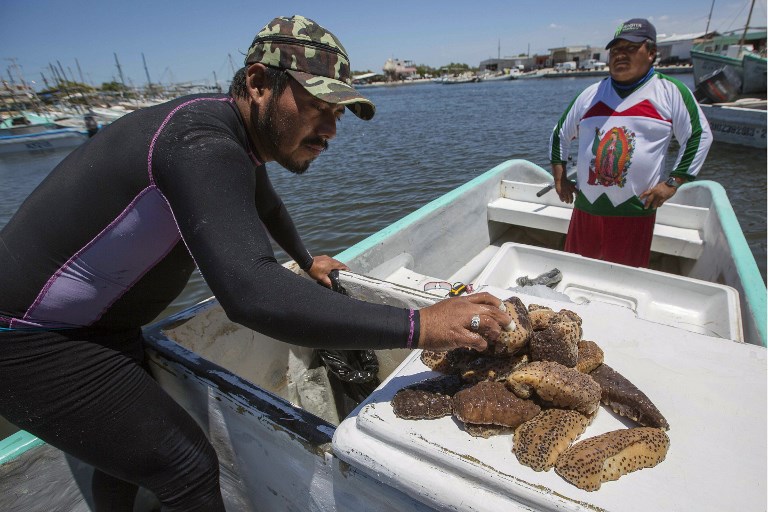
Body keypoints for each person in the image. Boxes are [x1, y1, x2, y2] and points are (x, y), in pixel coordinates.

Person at [0, 15, 512, 511]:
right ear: (259, 82)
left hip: (99, 327)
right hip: (31, 342)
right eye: (319, 107)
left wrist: (305, 259)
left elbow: (264, 204)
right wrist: (420, 324)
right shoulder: (202, 145)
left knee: (123, 465)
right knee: (185, 466)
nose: (331, 131)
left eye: (338, 115)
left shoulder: (222, 132)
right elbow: (250, 295)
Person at [549, 18, 712, 268]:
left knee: (624, 279)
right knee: (576, 272)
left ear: (651, 53)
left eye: (630, 48)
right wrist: (560, 179)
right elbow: (559, 133)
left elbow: (699, 136)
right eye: (615, 50)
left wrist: (673, 182)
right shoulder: (590, 95)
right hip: (586, 209)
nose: (620, 56)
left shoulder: (670, 92)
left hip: (634, 211)